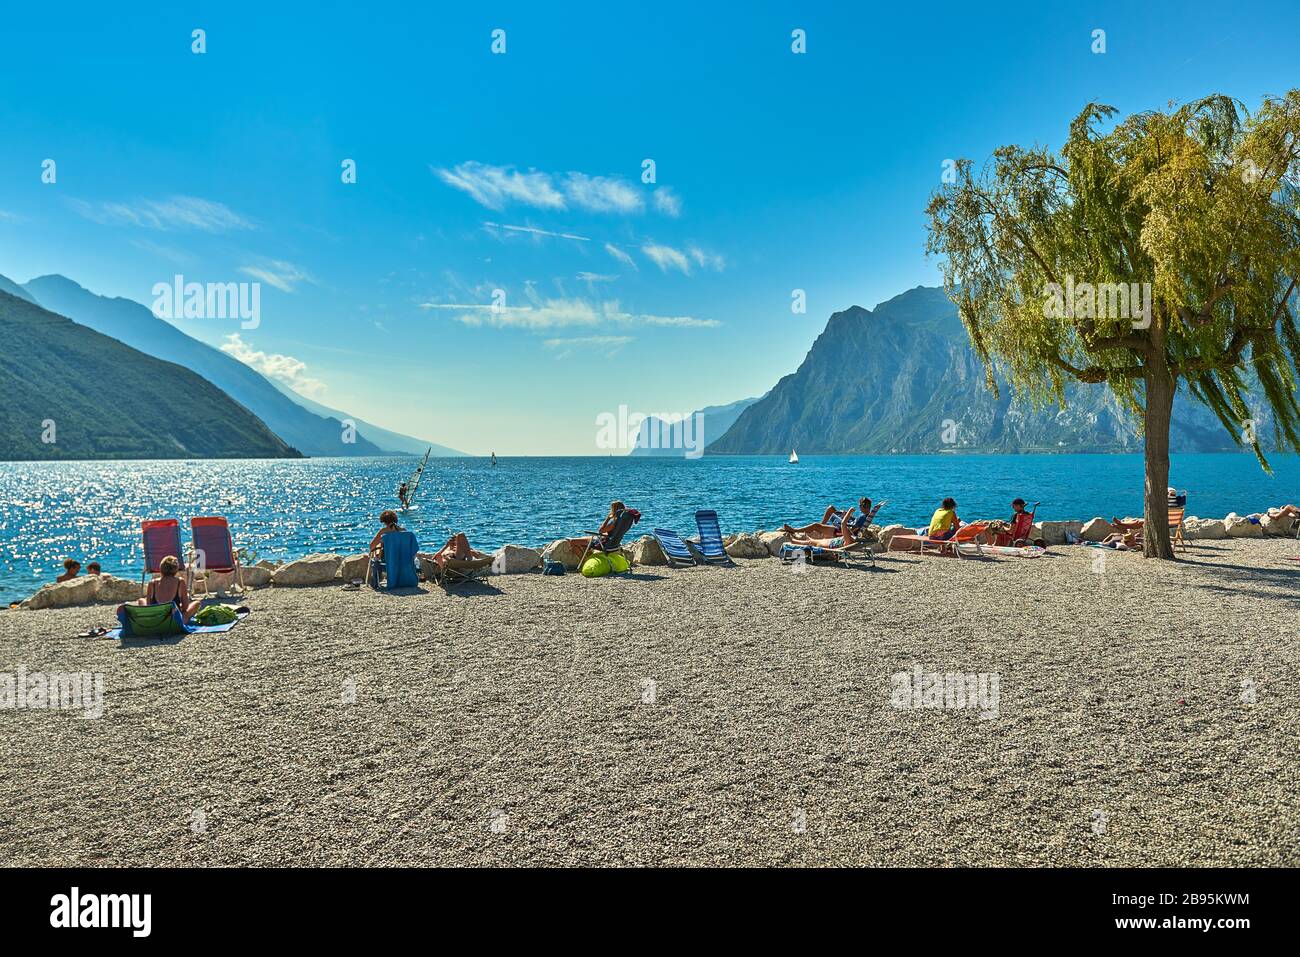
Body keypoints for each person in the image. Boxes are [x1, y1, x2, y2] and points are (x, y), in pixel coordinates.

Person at [122, 555, 200, 622]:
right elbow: (185, 607)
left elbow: (148, 608)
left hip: (155, 621)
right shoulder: (180, 582)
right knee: (196, 603)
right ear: (176, 570)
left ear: (161, 569)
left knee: (141, 600)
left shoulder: (152, 583)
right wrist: (177, 609)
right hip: (173, 622)